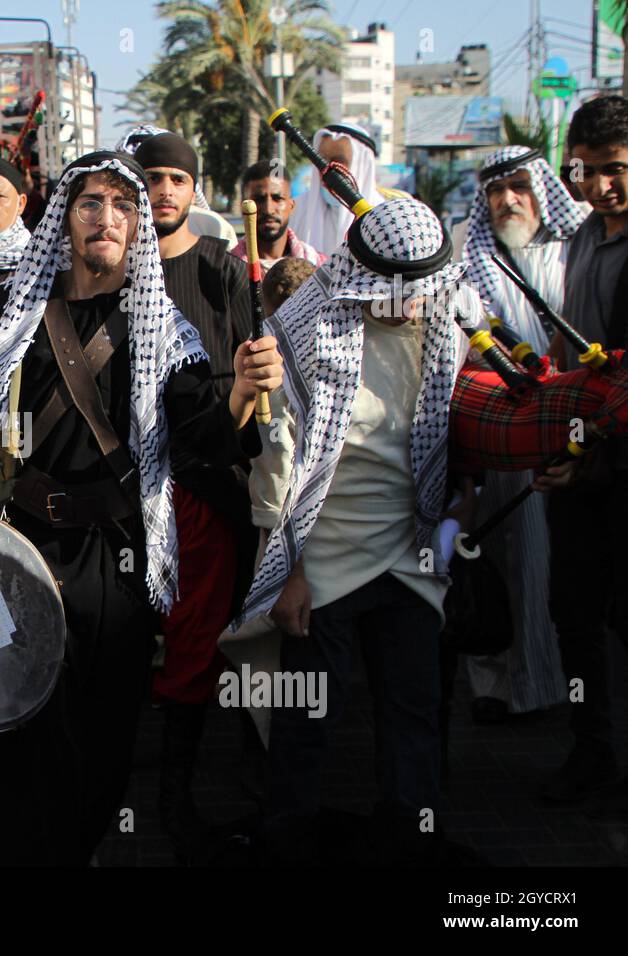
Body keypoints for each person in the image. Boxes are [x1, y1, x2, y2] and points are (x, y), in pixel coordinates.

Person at [0, 150, 283, 866]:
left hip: (113, 560)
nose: (106, 218)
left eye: (123, 205)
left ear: (138, 223)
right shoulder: (16, 314)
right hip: (11, 547)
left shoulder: (160, 325)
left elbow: (205, 443)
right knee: (18, 726)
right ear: (66, 218)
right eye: (91, 203)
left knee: (103, 732)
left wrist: (238, 394)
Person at [240, 198, 477, 865]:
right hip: (322, 559)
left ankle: (411, 842)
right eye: (386, 293)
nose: (401, 309)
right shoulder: (300, 332)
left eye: (415, 295)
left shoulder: (449, 333)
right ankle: (288, 842)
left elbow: (459, 444)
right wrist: (290, 569)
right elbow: (274, 463)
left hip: (408, 558)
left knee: (413, 715)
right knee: (307, 716)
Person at [134, 131, 260, 862]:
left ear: (194, 188)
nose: (163, 193)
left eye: (176, 179)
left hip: (208, 478)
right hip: (130, 484)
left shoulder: (220, 267)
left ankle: (187, 792)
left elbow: (251, 365)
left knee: (210, 635)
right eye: (151, 178)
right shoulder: (117, 273)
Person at [457, 146, 586, 725]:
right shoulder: (476, 259)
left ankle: (561, 684)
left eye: (520, 186)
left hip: (583, 432)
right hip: (512, 434)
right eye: (496, 190)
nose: (508, 200)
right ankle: (498, 685)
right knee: (511, 558)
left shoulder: (573, 251)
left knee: (571, 565)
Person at [534, 95, 628, 809]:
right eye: (587, 171)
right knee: (576, 610)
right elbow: (571, 357)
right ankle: (593, 750)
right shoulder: (582, 239)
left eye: (616, 170)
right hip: (582, 459)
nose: (601, 186)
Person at [116, 125, 237, 243]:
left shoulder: (213, 226)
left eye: (178, 180)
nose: (166, 191)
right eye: (153, 178)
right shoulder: (114, 227)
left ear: (193, 194)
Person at [292, 123, 385, 257]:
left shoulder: (382, 215)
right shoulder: (296, 209)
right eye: (322, 159)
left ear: (360, 165)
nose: (327, 168)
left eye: (338, 160)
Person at [233, 161, 327, 269]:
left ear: (291, 205)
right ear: (243, 207)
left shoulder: (318, 266)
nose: (268, 210)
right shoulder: (226, 270)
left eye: (277, 199)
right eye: (259, 199)